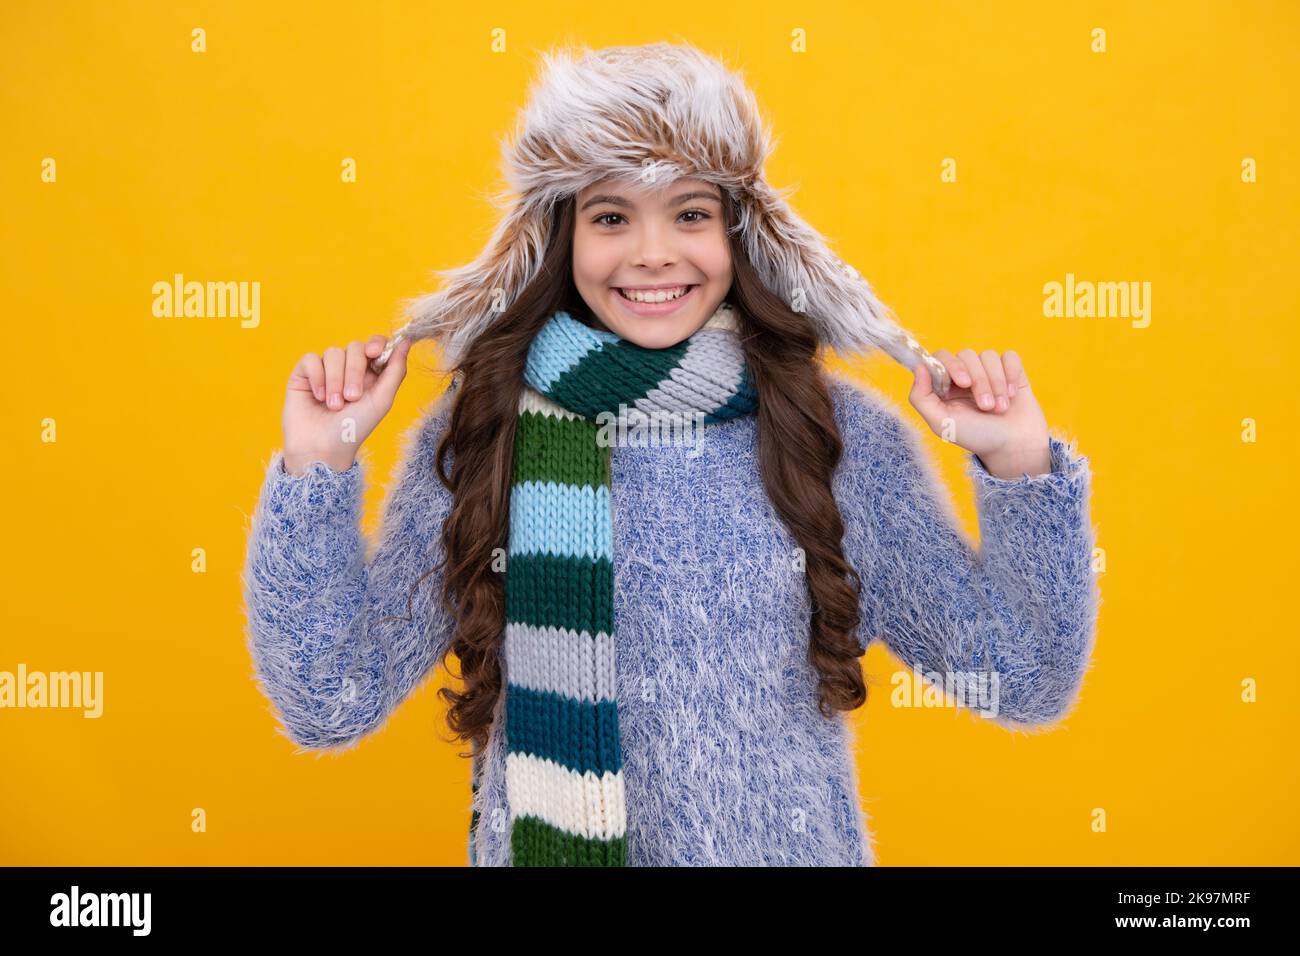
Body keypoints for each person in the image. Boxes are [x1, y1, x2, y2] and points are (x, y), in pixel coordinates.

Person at [241, 42, 1099, 866]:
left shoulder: (831, 436)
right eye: (610, 216)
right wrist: (319, 465)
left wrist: (1017, 463)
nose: (653, 253)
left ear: (743, 234)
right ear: (557, 239)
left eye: (690, 213)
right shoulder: (487, 433)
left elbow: (1021, 679)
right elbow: (329, 698)